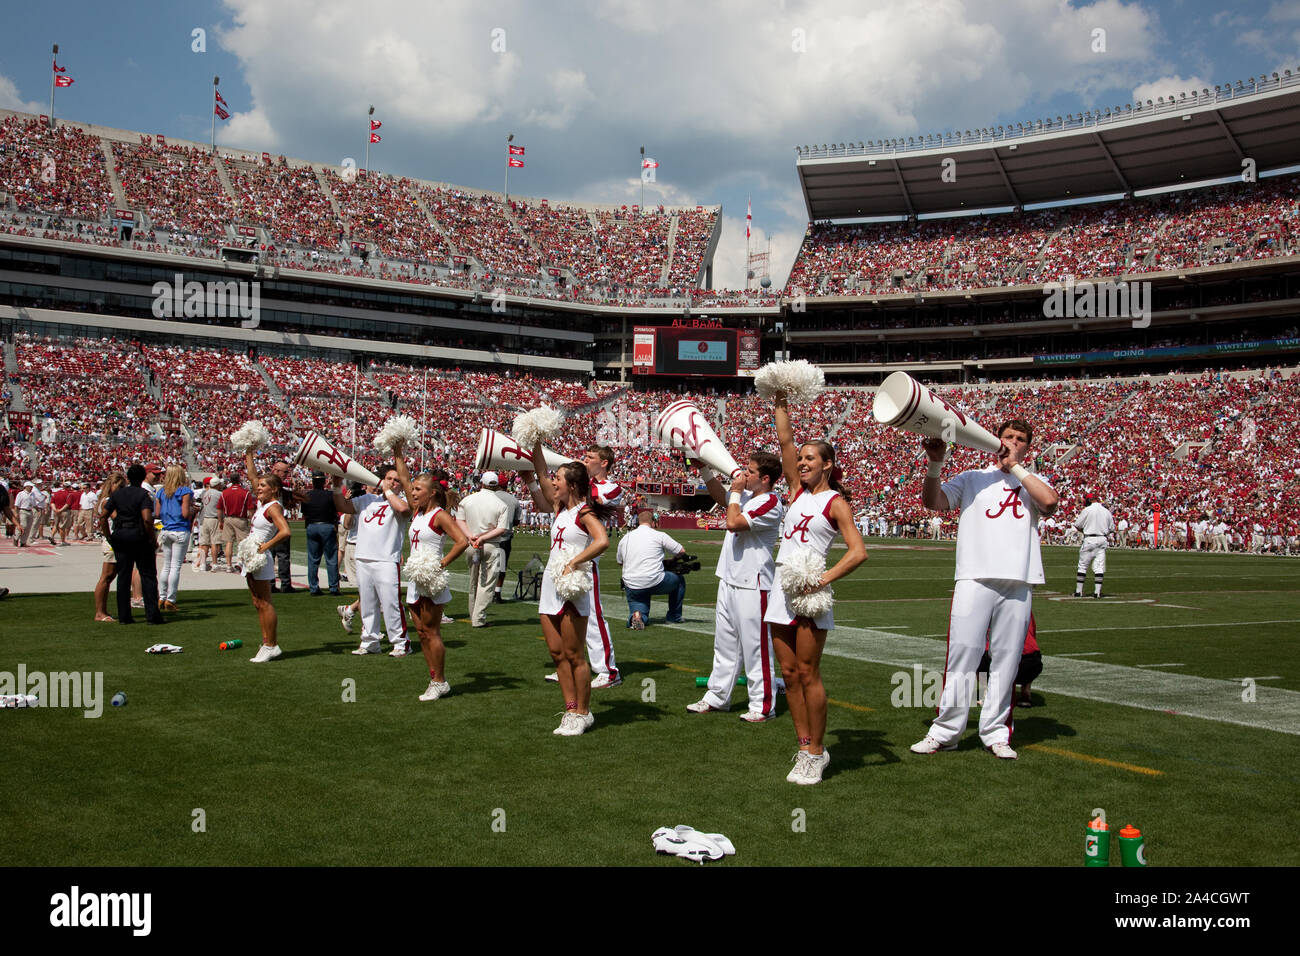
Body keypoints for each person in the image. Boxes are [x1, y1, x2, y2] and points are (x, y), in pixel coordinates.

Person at [910, 419, 1059, 761]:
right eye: (1008, 436)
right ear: (996, 440)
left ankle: (995, 732)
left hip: (1018, 580)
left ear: (1027, 447)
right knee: (962, 655)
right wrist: (935, 464)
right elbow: (933, 503)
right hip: (974, 576)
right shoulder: (973, 477)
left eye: (1020, 439)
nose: (1013, 442)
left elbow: (1049, 503)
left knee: (1007, 661)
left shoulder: (1033, 480)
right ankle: (946, 731)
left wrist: (1016, 468)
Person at [765, 395, 867, 785]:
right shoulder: (795, 492)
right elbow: (785, 442)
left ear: (828, 464)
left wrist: (820, 580)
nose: (803, 463)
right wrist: (780, 401)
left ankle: (817, 752)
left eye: (812, 459)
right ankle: (802, 744)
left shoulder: (834, 502)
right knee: (788, 674)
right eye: (801, 459)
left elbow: (858, 552)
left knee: (808, 673)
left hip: (810, 593)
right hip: (781, 589)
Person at [524, 439, 613, 736]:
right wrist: (535, 443)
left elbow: (602, 541)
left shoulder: (584, 513)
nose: (553, 482)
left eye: (558, 478)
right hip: (552, 582)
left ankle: (583, 713)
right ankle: (570, 708)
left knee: (575, 655)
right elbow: (540, 475)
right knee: (556, 653)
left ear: (572, 485)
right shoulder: (559, 507)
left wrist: (575, 562)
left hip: (572, 585)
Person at [689, 453, 785, 721]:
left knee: (756, 648)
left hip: (753, 584)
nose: (744, 474)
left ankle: (762, 705)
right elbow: (724, 499)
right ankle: (718, 696)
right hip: (730, 578)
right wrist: (706, 471)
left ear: (765, 479)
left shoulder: (771, 502)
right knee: (724, 644)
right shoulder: (751, 498)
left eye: (751, 471)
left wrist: (735, 491)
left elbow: (733, 522)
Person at [393, 454, 469, 700]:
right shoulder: (418, 512)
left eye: (418, 489)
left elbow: (462, 541)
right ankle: (433, 676)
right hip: (416, 577)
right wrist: (398, 451)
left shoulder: (439, 515)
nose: (412, 492)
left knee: (432, 630)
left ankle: (439, 680)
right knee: (422, 632)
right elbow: (403, 478)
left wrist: (441, 563)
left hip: (430, 578)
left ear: (432, 493)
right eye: (412, 489)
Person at [332, 464, 412, 656]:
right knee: (367, 603)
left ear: (402, 486)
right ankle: (370, 641)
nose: (393, 482)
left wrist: (387, 491)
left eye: (397, 481)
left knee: (391, 603)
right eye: (389, 479)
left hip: (386, 559)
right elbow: (342, 506)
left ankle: (401, 643)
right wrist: (336, 487)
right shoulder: (368, 499)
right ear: (383, 479)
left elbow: (402, 509)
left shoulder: (402, 501)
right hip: (363, 557)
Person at [241, 448, 293, 662]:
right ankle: (266, 643)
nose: (258, 488)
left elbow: (285, 531)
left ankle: (272, 644)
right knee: (257, 601)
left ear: (274, 489)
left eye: (263, 486)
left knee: (265, 602)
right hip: (252, 555)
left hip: (261, 556)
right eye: (259, 486)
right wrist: (249, 452)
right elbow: (252, 475)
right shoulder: (264, 503)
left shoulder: (273, 507)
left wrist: (265, 546)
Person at [100, 464, 165, 626]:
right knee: (148, 576)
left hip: (121, 535)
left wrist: (109, 536)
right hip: (139, 536)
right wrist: (152, 538)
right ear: (143, 477)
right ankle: (152, 615)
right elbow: (146, 518)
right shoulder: (143, 495)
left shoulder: (118, 494)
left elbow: (103, 516)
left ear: (128, 477)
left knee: (123, 576)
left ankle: (124, 616)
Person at [615, 507, 686, 628]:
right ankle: (674, 616)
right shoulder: (659, 535)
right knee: (679, 580)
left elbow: (620, 562)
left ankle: (637, 616)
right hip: (654, 580)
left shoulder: (625, 538)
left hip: (631, 584)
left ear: (638, 522)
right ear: (653, 522)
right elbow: (681, 551)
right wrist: (673, 560)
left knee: (641, 608)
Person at [456, 471, 509, 627]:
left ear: (482, 483)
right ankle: (478, 618)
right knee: (486, 583)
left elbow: (460, 520)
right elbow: (502, 529)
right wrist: (483, 538)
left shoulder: (468, 500)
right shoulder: (501, 504)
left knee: (473, 580)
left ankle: (473, 614)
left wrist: (471, 536)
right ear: (497, 485)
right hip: (491, 544)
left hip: (472, 544)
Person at [154, 464, 195, 611]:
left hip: (165, 530)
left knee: (166, 565)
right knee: (175, 567)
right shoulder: (184, 491)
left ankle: (162, 597)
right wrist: (193, 509)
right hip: (180, 529)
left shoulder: (161, 492)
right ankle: (170, 599)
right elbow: (185, 513)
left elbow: (157, 514)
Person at [269, 459, 309, 592]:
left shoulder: (279, 487)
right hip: (272, 522)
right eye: (284, 472)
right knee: (277, 554)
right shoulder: (269, 485)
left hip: (278, 521)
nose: (286, 474)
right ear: (276, 471)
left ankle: (281, 584)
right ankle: (278, 584)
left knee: (280, 554)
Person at [92, 472, 126, 622]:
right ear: (111, 486)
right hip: (112, 541)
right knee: (106, 577)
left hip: (113, 539)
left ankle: (102, 610)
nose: (121, 490)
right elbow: (116, 518)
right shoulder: (108, 501)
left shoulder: (107, 500)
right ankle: (99, 612)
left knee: (109, 577)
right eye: (119, 487)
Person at [302, 471, 341, 596]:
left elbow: (305, 513)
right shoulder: (330, 495)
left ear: (313, 482)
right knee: (331, 558)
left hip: (312, 526)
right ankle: (333, 587)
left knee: (313, 559)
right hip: (327, 525)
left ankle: (313, 587)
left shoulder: (307, 495)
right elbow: (335, 511)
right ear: (324, 481)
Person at [1073, 493, 1114, 599]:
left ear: (1090, 500)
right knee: (1099, 567)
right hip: (1102, 539)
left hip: (1089, 538)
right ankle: (1097, 592)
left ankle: (1079, 591)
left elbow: (1077, 525)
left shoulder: (1087, 510)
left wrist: (1085, 531)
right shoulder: (1106, 511)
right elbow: (1112, 528)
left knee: (1082, 566)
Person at [492, 477, 522, 603]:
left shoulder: (491, 497)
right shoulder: (513, 500)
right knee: (502, 567)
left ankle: (485, 593)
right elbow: (516, 521)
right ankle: (497, 593)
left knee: (487, 566)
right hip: (505, 537)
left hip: (489, 537)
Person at [219, 474, 255, 574]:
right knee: (242, 542)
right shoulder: (245, 493)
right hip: (240, 519)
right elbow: (250, 508)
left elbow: (219, 508)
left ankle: (228, 565)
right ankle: (241, 563)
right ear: (239, 480)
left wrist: (221, 520)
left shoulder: (224, 492)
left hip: (228, 518)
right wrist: (252, 520)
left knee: (229, 542)